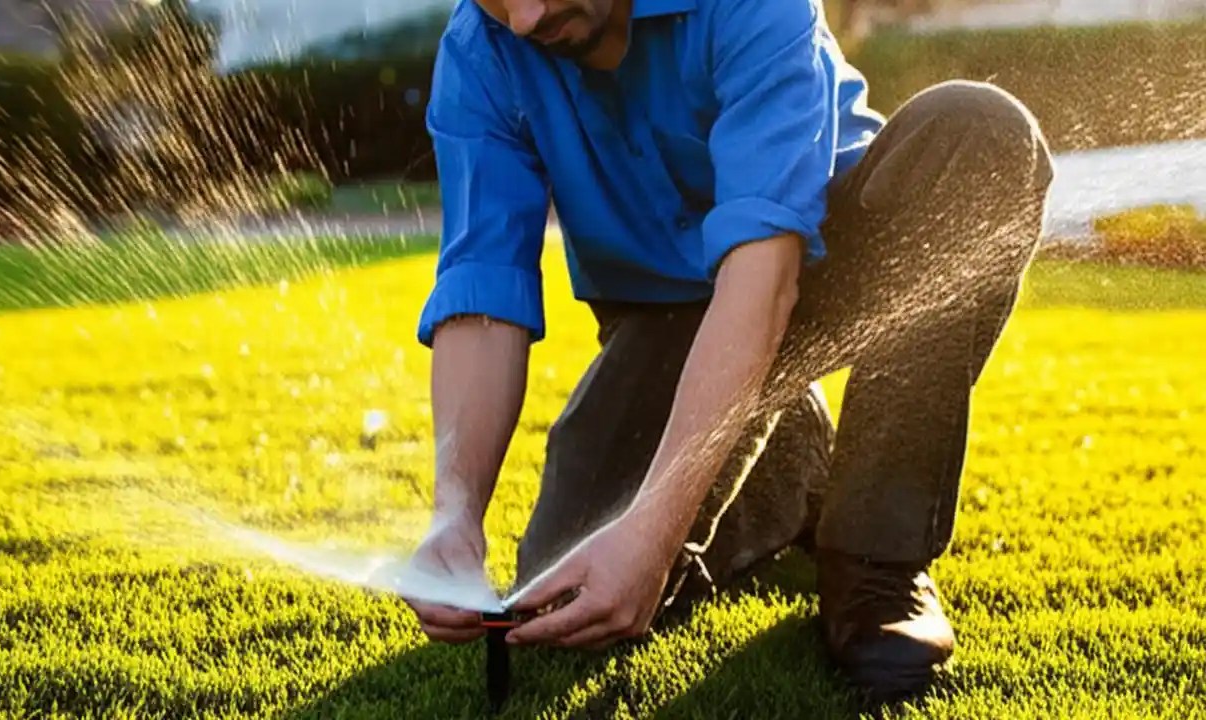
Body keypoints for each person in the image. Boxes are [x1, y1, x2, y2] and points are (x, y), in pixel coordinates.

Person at [403, 0, 1054, 700]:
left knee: (978, 129)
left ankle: (875, 564)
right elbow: (484, 286)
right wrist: (455, 513)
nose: (526, 19)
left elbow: (764, 272)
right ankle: (789, 463)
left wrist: (652, 533)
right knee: (564, 591)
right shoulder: (480, 52)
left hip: (836, 262)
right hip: (665, 323)